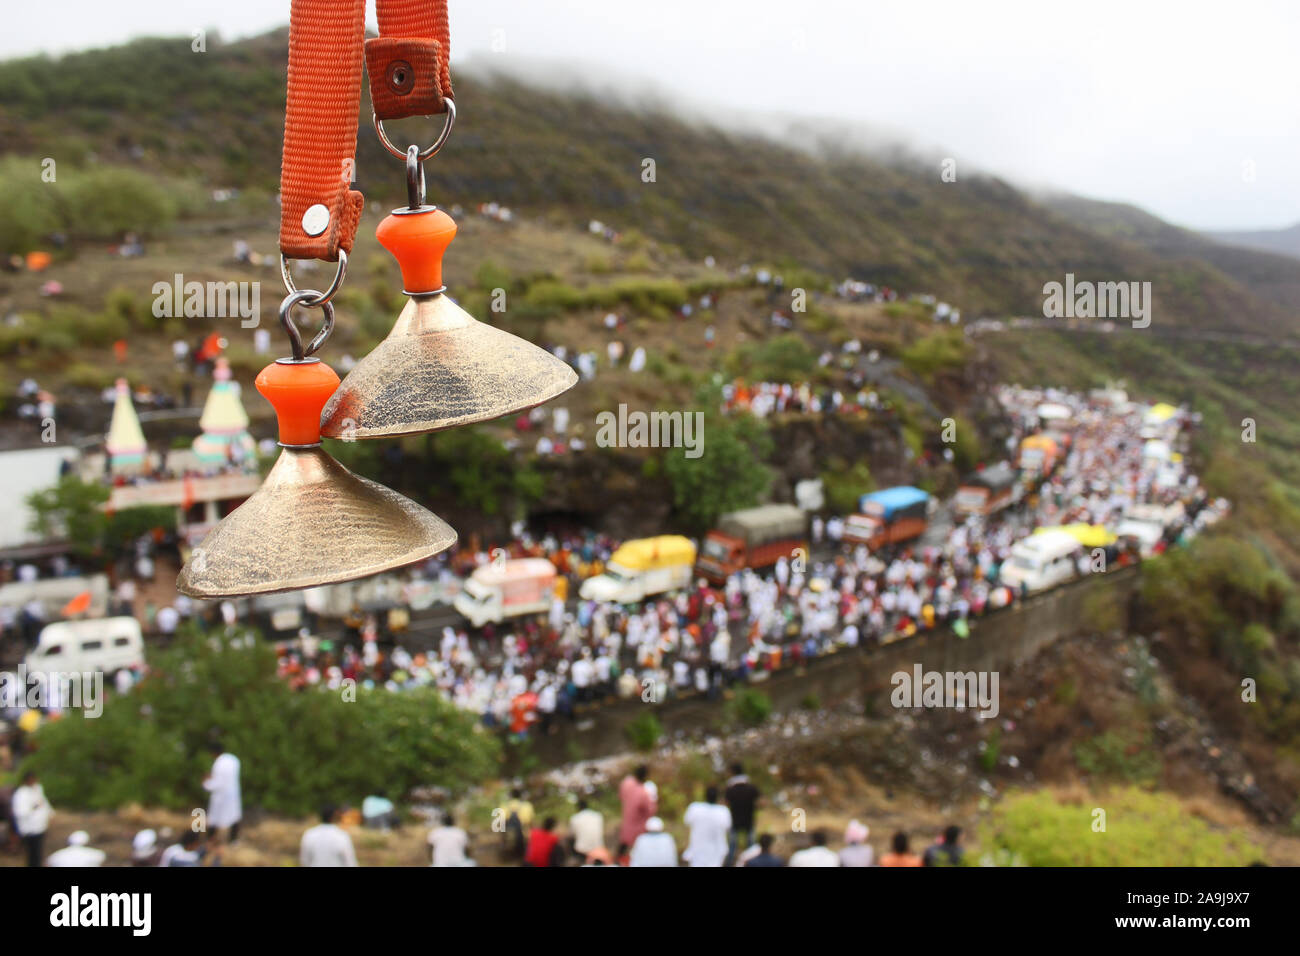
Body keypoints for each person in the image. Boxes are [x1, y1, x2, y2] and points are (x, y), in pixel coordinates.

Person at [682, 785, 732, 867]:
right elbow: (728, 827)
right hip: (716, 852)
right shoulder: (723, 811)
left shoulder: (695, 808)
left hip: (698, 851)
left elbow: (687, 822)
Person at [202, 741, 242, 842]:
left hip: (221, 796)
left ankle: (210, 839)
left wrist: (205, 783)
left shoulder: (218, 763)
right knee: (234, 816)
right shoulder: (233, 759)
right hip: (233, 794)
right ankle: (233, 840)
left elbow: (217, 783)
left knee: (214, 818)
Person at [12, 771, 50, 868]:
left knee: (38, 852)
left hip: (39, 827)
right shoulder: (21, 794)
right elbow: (20, 812)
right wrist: (35, 806)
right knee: (32, 853)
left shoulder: (37, 789)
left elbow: (43, 802)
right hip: (29, 829)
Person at [724, 763, 759, 865]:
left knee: (732, 847)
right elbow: (761, 802)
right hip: (749, 820)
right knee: (751, 848)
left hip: (734, 821)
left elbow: (725, 804)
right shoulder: (751, 787)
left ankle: (729, 864)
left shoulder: (730, 789)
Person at [618, 764, 656, 847]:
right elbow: (650, 811)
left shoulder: (626, 782)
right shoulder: (643, 793)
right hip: (638, 831)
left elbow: (621, 797)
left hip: (626, 824)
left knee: (623, 845)